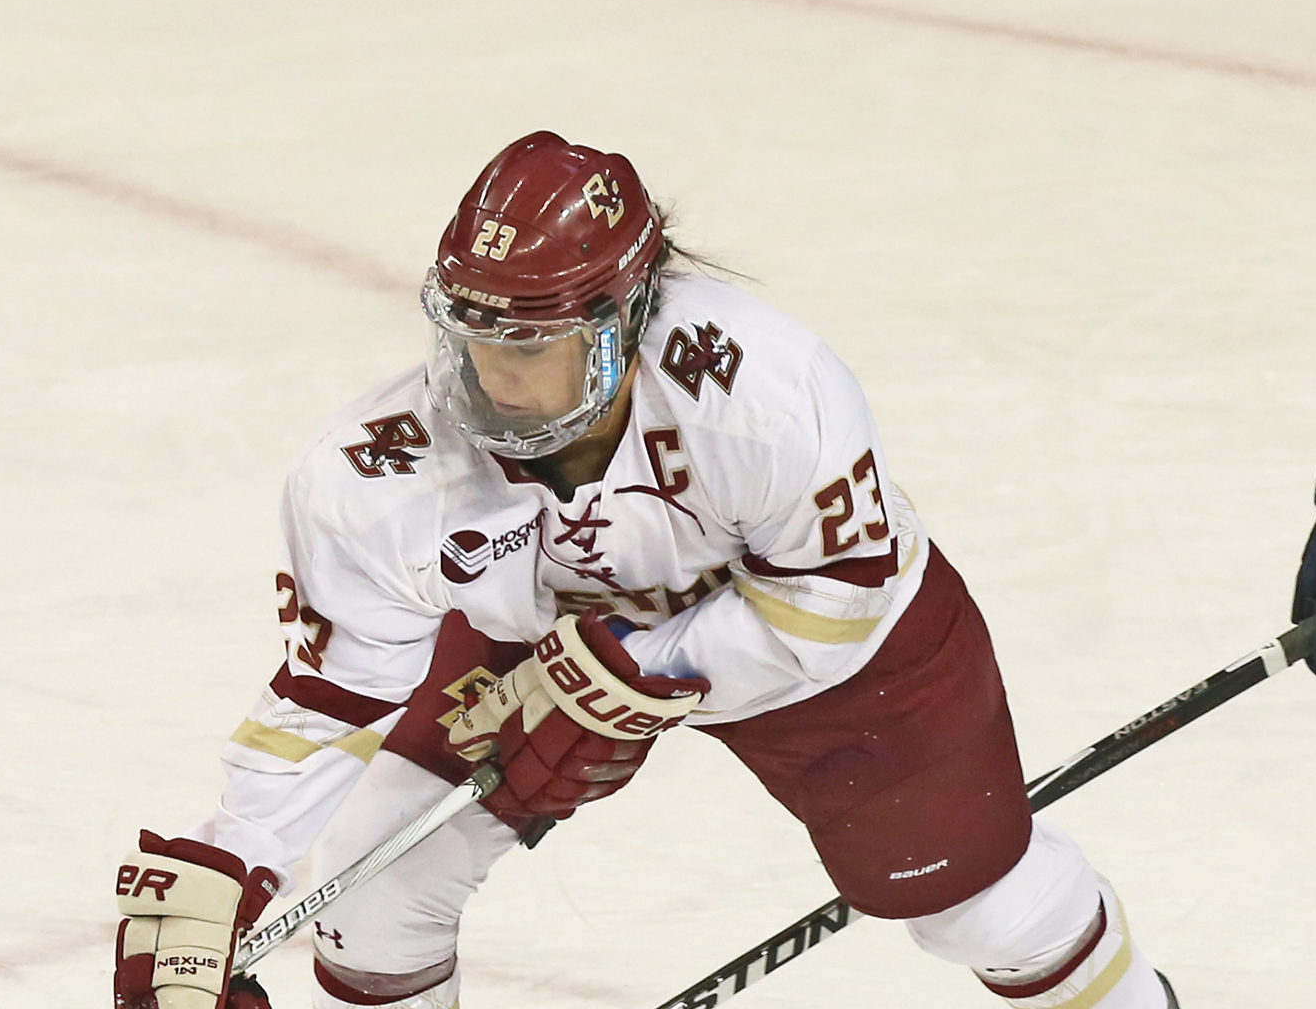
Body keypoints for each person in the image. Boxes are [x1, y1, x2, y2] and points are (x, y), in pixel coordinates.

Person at [112, 131, 1185, 1009]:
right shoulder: (373, 470)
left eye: (532, 341)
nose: (494, 376)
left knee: (979, 908)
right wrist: (229, 864)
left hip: (824, 650)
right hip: (533, 646)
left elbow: (835, 599)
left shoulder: (764, 384)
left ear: (625, 318)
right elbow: (333, 688)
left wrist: (634, 665)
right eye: (474, 334)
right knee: (373, 899)